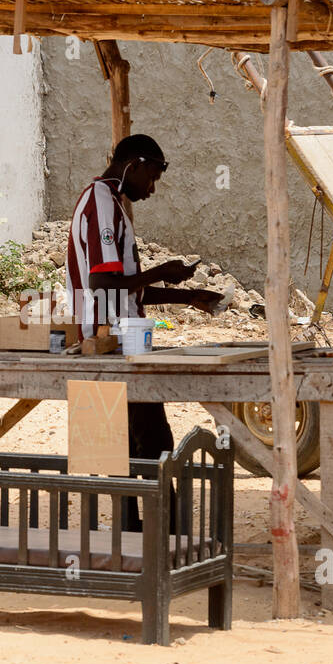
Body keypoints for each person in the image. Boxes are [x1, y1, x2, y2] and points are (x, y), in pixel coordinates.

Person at [65, 133, 223, 530]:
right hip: (104, 344)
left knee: (142, 443)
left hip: (120, 339)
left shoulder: (112, 205)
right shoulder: (100, 203)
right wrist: (163, 272)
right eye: (151, 178)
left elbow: (124, 286)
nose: (152, 190)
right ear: (133, 164)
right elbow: (103, 285)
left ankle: (143, 531)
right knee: (126, 448)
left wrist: (187, 296)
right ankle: (150, 534)